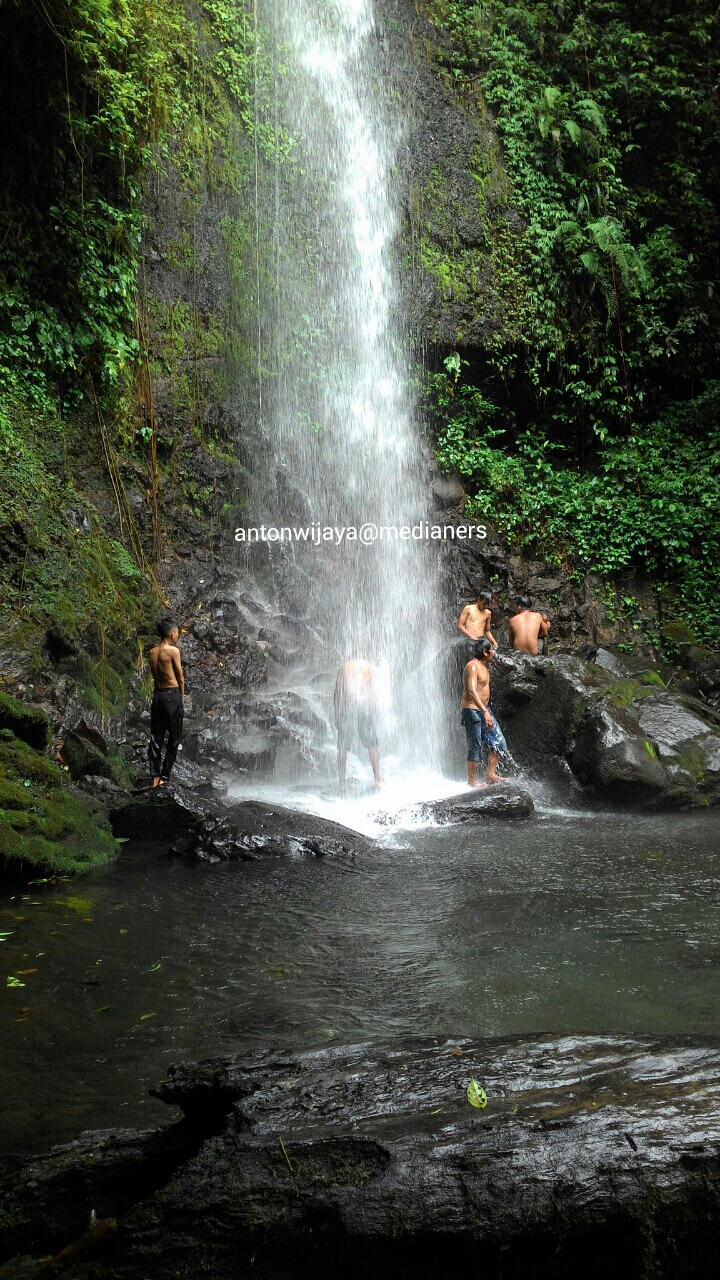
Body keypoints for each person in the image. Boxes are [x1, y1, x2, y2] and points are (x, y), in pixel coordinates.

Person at [460, 637, 509, 786]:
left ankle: (491, 774)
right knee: (475, 744)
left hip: (484, 710)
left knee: (499, 742)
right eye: (492, 649)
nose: (494, 652)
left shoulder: (484, 666)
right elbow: (472, 691)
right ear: (485, 652)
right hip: (472, 710)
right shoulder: (473, 666)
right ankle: (472, 781)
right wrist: (485, 711)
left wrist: (486, 711)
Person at [333, 659, 382, 795]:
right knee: (372, 745)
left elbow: (337, 692)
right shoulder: (368, 667)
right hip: (364, 706)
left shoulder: (344, 667)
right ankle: (378, 779)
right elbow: (373, 694)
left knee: (342, 747)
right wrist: (374, 714)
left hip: (347, 706)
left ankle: (342, 782)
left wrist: (336, 714)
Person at [148, 615, 184, 787]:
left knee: (156, 738)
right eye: (177, 633)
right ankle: (164, 777)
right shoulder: (173, 651)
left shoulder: (152, 652)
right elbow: (180, 678)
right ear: (171, 634)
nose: (178, 636)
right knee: (174, 739)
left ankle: (154, 779)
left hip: (157, 696)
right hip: (172, 695)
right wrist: (180, 700)